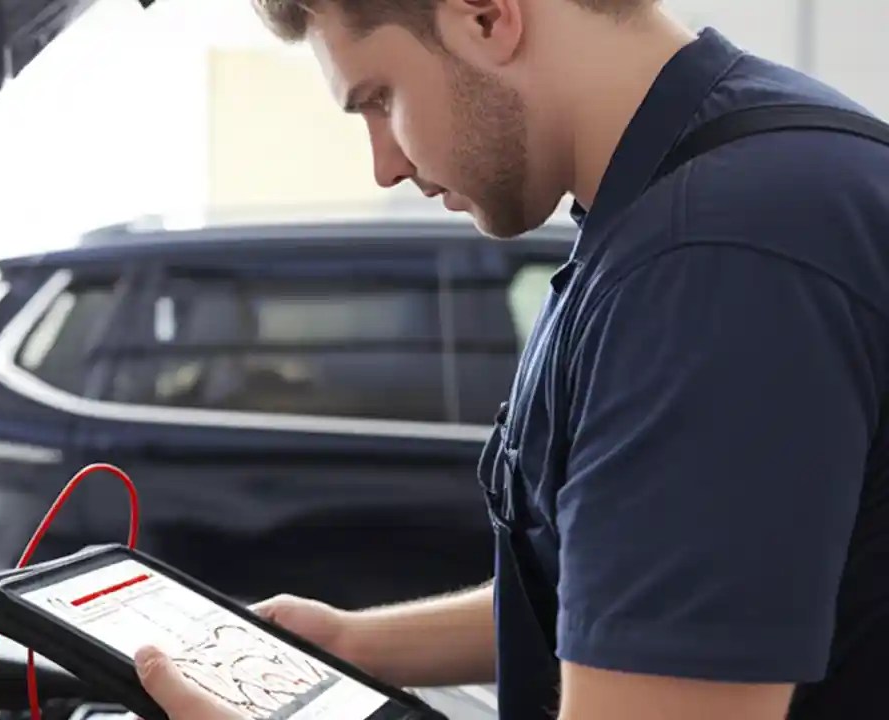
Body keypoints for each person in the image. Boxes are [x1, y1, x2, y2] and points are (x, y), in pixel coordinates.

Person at [130, 1, 889, 718]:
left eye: (379, 99)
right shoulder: (732, 175)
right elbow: (642, 591)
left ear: (486, 16)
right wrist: (351, 645)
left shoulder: (712, 260)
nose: (384, 166)